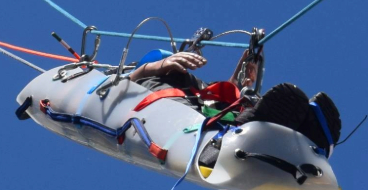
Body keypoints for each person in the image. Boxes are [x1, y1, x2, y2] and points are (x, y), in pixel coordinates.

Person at [128, 49, 344, 151]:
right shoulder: (142, 79)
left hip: (210, 113)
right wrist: (155, 67)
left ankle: (307, 128)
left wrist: (239, 80)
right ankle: (246, 128)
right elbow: (113, 88)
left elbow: (212, 101)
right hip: (182, 119)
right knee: (178, 107)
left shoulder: (190, 82)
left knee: (283, 99)